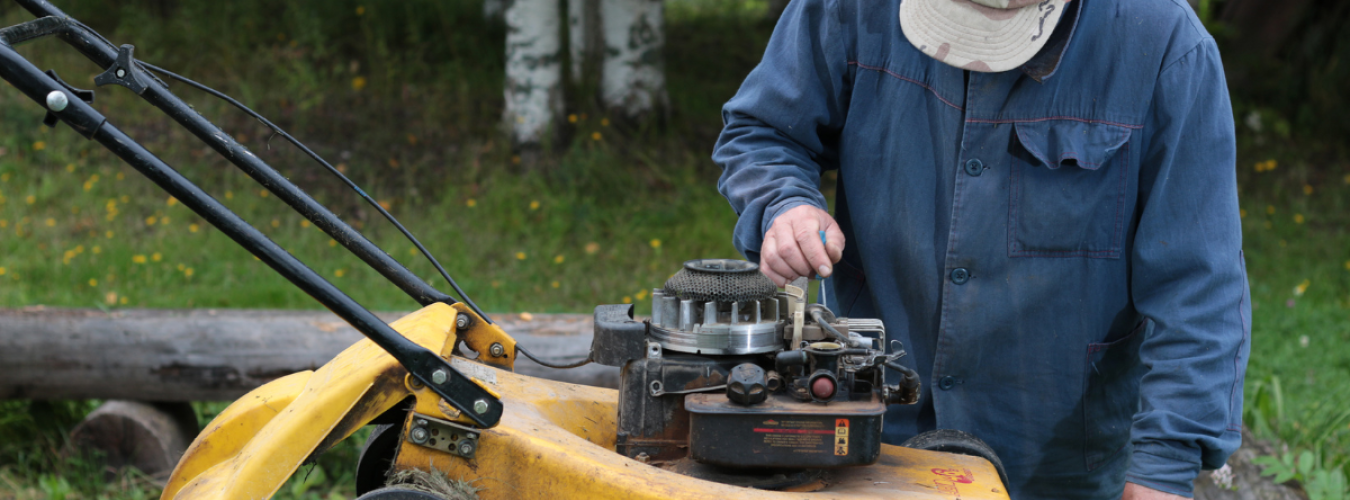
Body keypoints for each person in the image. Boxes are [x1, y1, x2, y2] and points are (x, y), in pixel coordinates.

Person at [712, 0, 1251, 498]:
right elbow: (764, 131)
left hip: (1056, 462)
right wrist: (784, 204)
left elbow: (1198, 284)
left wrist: (1163, 465)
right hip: (869, 428)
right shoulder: (852, 8)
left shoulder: (1164, 44)